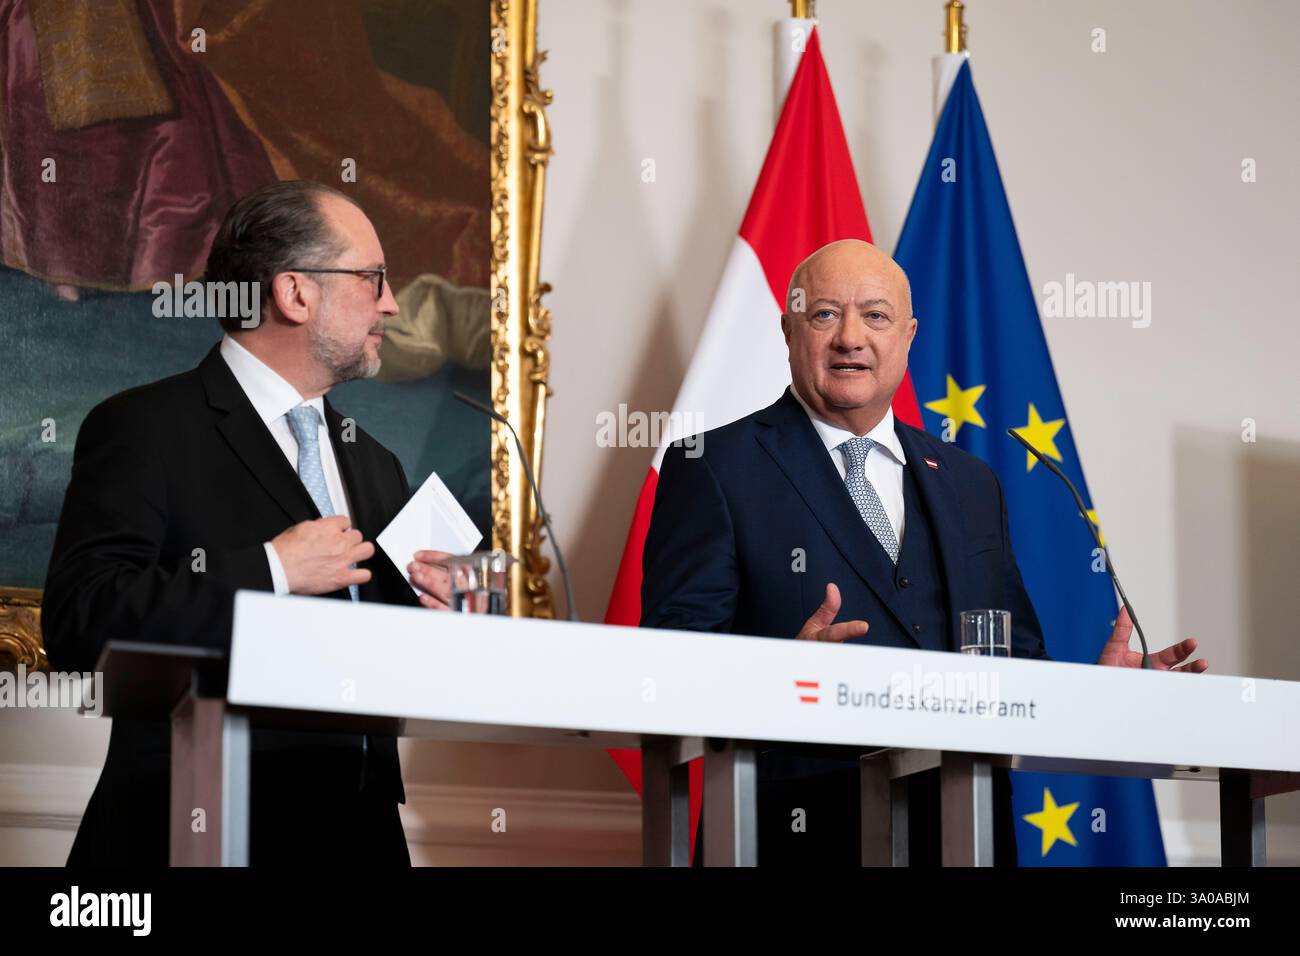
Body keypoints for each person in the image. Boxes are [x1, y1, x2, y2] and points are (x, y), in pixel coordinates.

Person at [641, 238, 1206, 866]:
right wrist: (777, 679)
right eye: (825, 313)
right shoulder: (714, 467)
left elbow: (1014, 667)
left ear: (908, 337)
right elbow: (666, 673)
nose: (851, 337)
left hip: (964, 839)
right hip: (791, 841)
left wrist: (1097, 696)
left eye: (875, 316)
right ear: (787, 329)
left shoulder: (969, 483)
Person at [42, 180, 455, 866]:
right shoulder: (143, 428)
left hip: (362, 843)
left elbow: (379, 666)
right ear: (296, 294)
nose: (392, 302)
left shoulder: (376, 465)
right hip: (191, 831)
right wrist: (270, 571)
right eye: (373, 278)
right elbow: (81, 622)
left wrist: (439, 620)